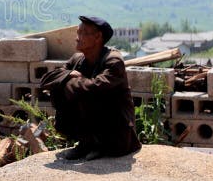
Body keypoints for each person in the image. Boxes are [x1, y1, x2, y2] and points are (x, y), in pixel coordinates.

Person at [41, 15, 141, 161]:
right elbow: (46, 80)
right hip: (91, 127)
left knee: (83, 92)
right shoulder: (77, 59)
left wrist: (68, 80)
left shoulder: (113, 61)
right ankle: (86, 143)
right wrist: (70, 74)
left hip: (117, 136)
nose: (77, 37)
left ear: (98, 37)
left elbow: (95, 89)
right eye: (78, 32)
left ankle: (100, 145)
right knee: (60, 89)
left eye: (83, 33)